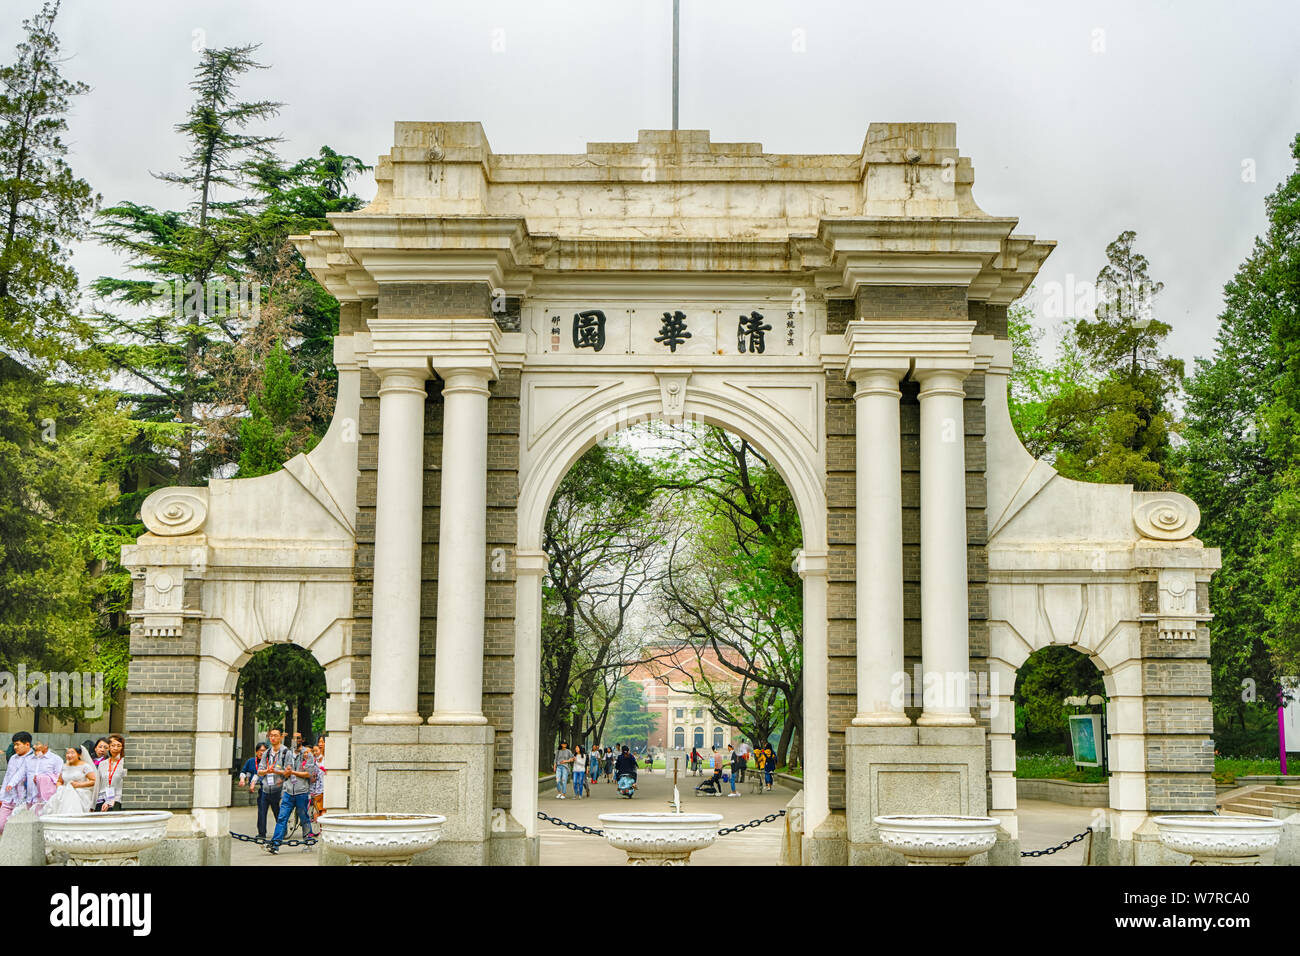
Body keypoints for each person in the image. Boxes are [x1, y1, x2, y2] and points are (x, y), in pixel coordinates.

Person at [269, 733, 317, 851]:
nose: (296, 740)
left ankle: (308, 842)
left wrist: (293, 773)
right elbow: (284, 773)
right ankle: (275, 845)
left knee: (304, 817)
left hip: (302, 792)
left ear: (302, 740)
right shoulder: (287, 753)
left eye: (298, 738)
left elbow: (308, 774)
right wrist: (287, 772)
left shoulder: (308, 754)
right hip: (288, 791)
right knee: (282, 817)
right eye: (294, 738)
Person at [256, 729, 289, 840]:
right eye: (271, 736)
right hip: (266, 787)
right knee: (262, 811)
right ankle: (261, 833)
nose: (273, 738)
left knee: (278, 812)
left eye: (275, 735)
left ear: (280, 737)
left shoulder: (285, 752)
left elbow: (289, 771)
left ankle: (282, 831)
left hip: (279, 788)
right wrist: (267, 771)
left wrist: (277, 772)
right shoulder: (267, 753)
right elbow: (260, 771)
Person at [45, 747, 97, 816]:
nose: (69, 755)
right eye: (67, 753)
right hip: (64, 793)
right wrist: (60, 788)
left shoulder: (85, 766)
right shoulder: (64, 766)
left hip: (80, 794)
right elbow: (59, 781)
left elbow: (93, 781)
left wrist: (79, 785)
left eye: (72, 753)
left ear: (79, 755)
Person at [0, 732, 35, 834]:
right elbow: (7, 777)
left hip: (24, 799)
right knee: (1, 826)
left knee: (18, 829)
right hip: (9, 798)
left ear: (27, 744)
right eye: (14, 744)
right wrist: (1, 796)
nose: (15, 747)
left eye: (17, 744)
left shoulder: (34, 758)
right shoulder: (13, 758)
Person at [28, 741, 63, 814]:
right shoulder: (30, 758)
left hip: (46, 797)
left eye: (37, 744)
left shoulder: (56, 759)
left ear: (45, 746)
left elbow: (59, 777)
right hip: (30, 796)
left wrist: (41, 778)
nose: (34, 746)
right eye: (34, 745)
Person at [94, 734, 127, 811]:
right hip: (101, 800)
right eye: (113, 745)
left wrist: (111, 801)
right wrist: (92, 805)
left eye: (119, 745)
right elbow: (97, 785)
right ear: (108, 747)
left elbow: (123, 786)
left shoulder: (125, 764)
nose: (115, 748)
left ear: (122, 747)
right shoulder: (102, 764)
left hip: (117, 801)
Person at [310, 738, 326, 820]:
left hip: (325, 787)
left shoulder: (328, 757)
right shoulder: (316, 759)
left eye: (322, 742)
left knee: (323, 810)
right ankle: (321, 830)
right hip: (317, 788)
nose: (321, 744)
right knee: (319, 810)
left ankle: (322, 830)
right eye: (319, 742)